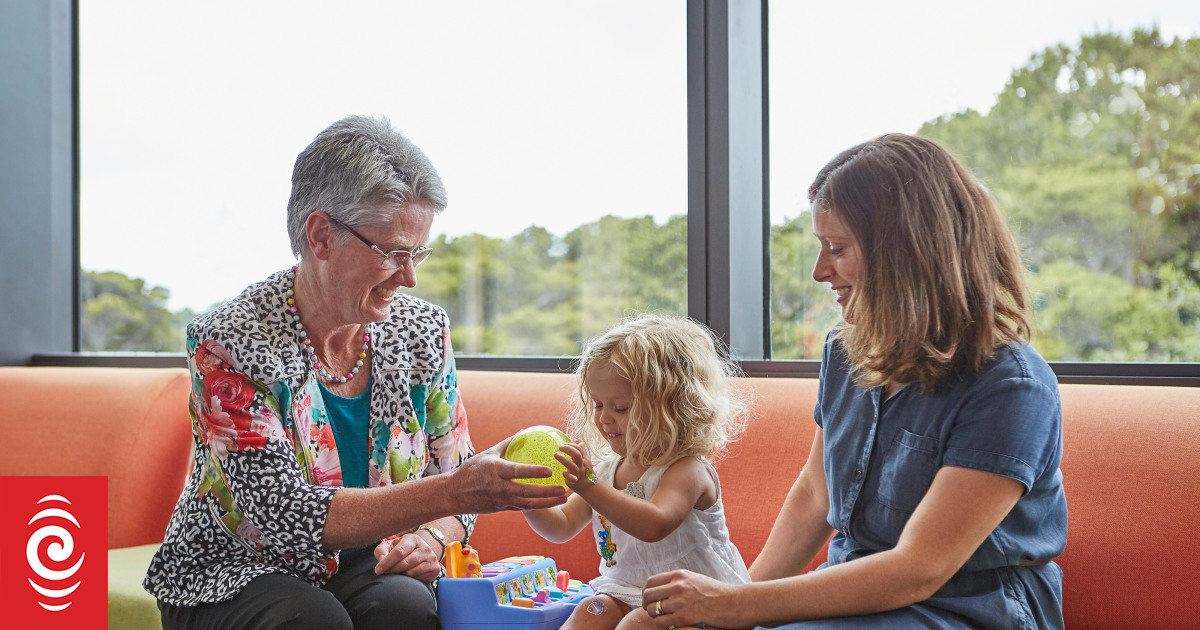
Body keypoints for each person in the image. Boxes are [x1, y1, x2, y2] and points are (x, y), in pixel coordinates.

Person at [143, 115, 566, 630]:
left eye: (418, 254)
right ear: (320, 235)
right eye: (392, 253)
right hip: (232, 569)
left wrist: (432, 536)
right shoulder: (229, 341)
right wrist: (456, 491)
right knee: (314, 620)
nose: (409, 277)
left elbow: (455, 474)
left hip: (361, 561)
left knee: (406, 608)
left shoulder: (423, 330)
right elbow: (286, 514)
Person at [640, 134, 1068, 629]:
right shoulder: (846, 350)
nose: (821, 271)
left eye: (836, 249)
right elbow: (815, 495)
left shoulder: (1011, 386)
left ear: (905, 253)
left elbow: (919, 570)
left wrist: (736, 608)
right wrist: (731, 603)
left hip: (969, 607)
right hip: (854, 592)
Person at [522, 315, 752, 630]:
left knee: (638, 623)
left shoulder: (687, 470)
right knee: (591, 610)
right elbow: (561, 526)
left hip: (700, 605)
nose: (603, 419)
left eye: (620, 408)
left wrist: (589, 486)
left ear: (673, 406)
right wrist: (525, 498)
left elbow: (654, 524)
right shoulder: (605, 473)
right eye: (598, 404)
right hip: (624, 592)